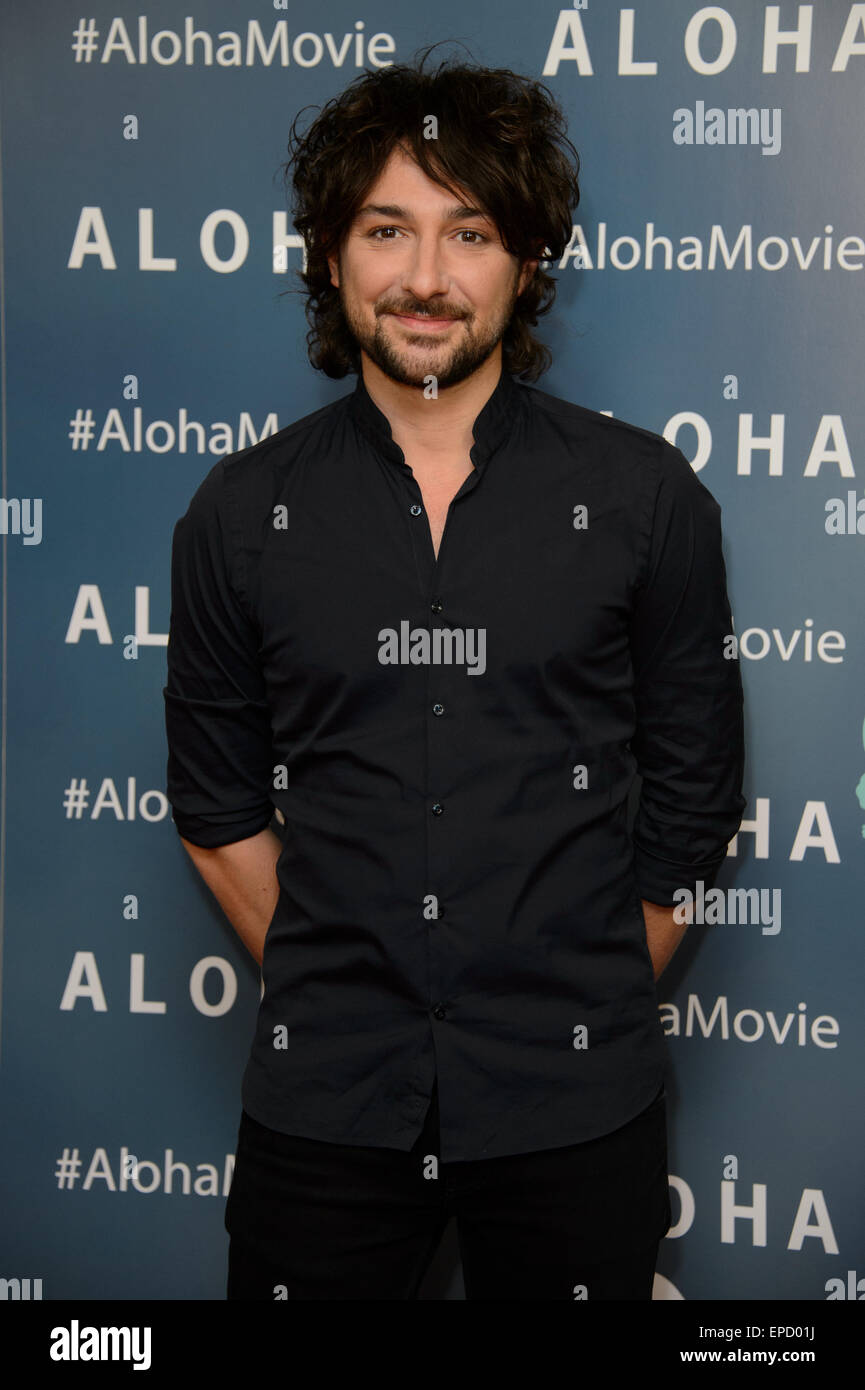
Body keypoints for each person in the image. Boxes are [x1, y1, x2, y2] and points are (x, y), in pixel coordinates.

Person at [163, 46, 746, 1301]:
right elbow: (217, 812)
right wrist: (372, 984)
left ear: (526, 264)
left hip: (577, 1110)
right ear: (330, 254)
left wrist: (548, 998)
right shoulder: (236, 512)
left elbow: (691, 808)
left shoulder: (646, 500)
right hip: (326, 1112)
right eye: (387, 228)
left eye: (469, 230)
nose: (426, 277)